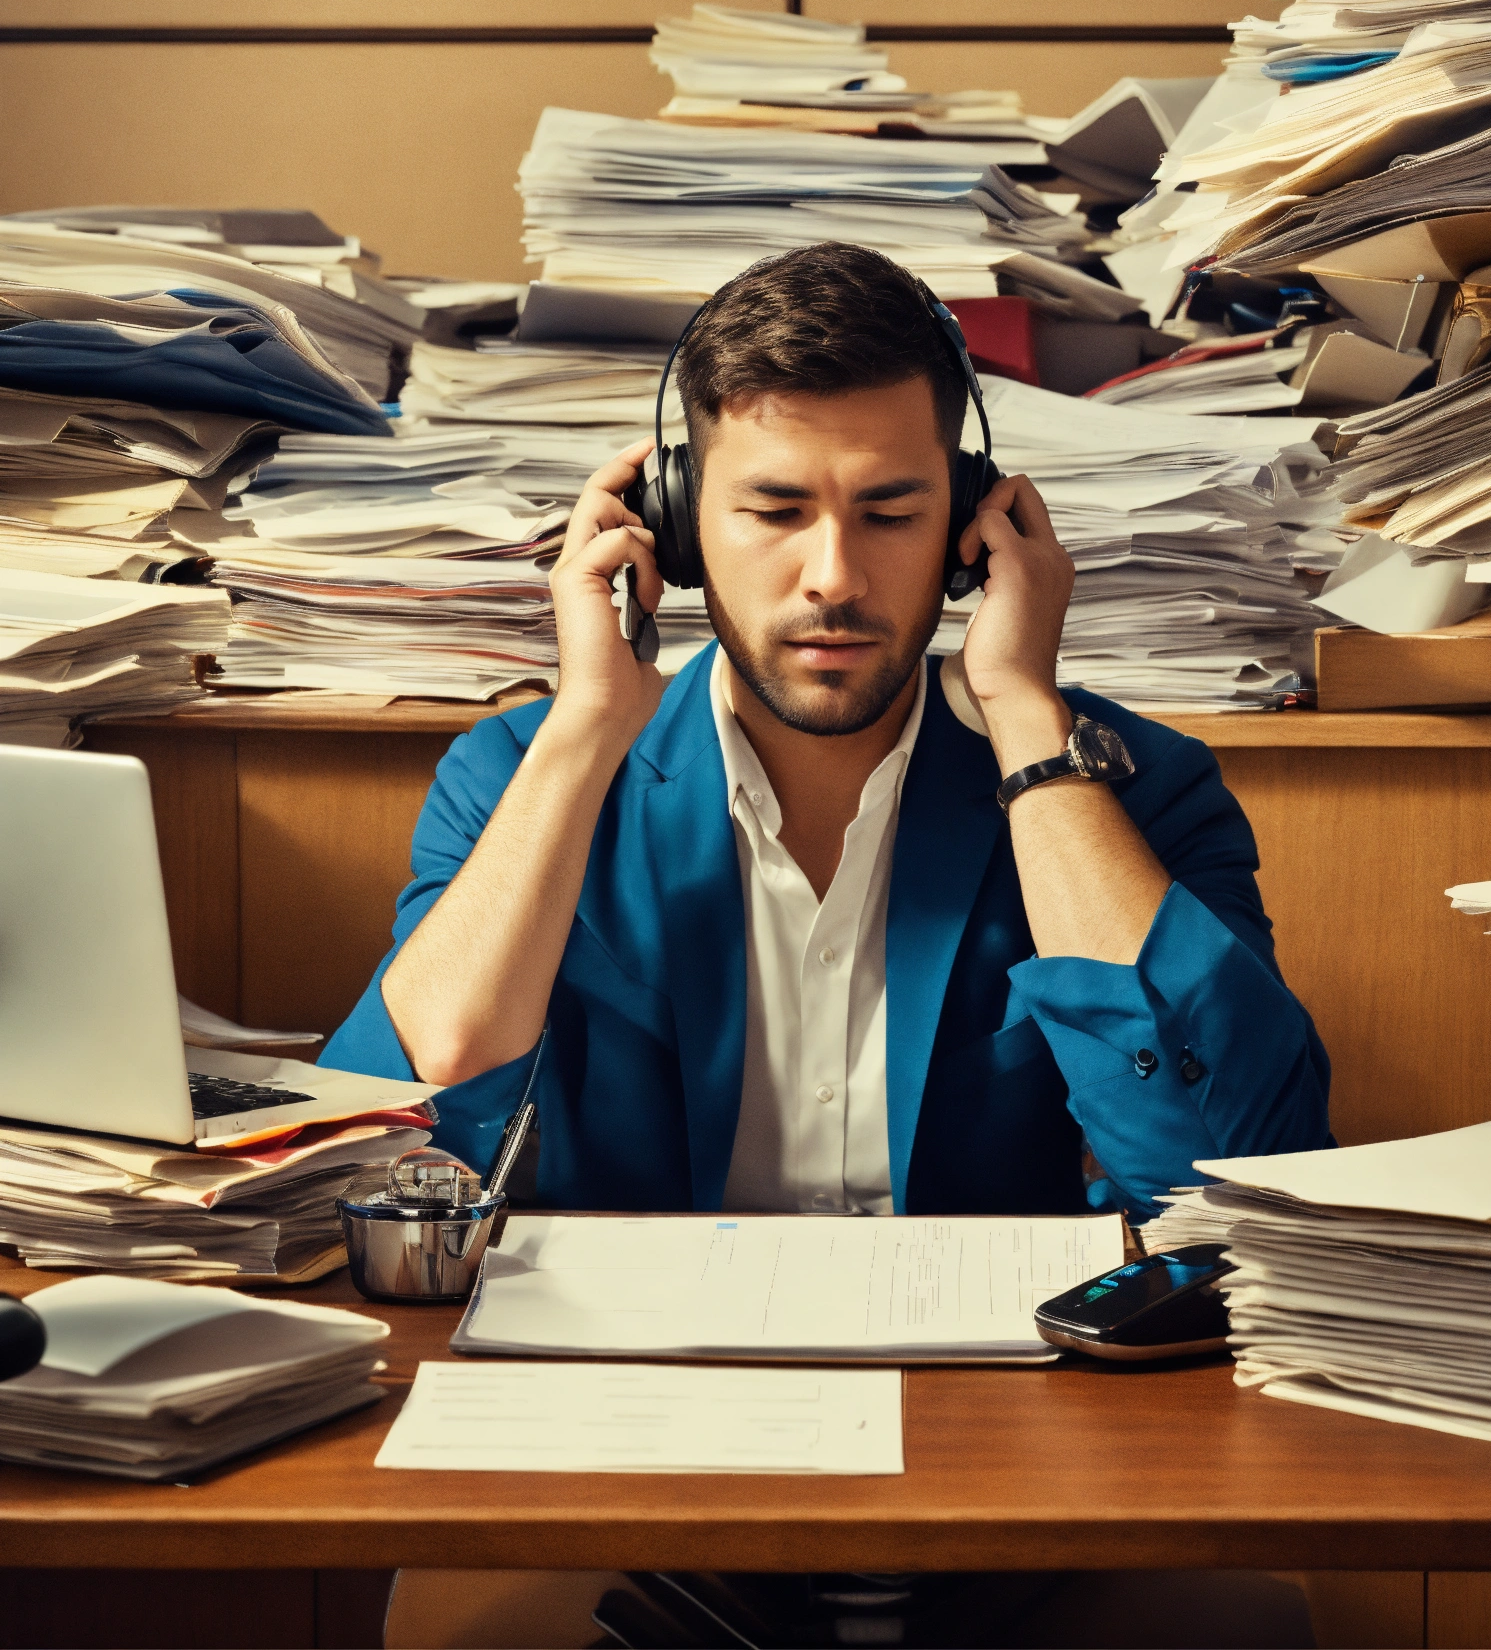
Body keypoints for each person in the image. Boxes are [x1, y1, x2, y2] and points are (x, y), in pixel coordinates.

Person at [327, 241, 1328, 1650]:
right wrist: (583, 733)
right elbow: (389, 1136)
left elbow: (1238, 1177)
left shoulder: (1129, 791)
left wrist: (1029, 725)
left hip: (1020, 1474)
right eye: (775, 510)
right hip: (636, 1466)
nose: (834, 577)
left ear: (977, 531)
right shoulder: (526, 780)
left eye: (892, 511)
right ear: (671, 527)